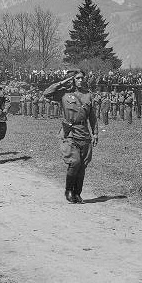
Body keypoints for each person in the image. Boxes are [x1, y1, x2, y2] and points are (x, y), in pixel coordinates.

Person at [44, 69, 99, 202]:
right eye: (78, 78)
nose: (81, 80)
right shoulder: (64, 94)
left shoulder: (88, 96)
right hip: (70, 132)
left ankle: (77, 192)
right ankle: (68, 190)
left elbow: (92, 117)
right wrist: (63, 82)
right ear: (72, 80)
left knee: (82, 165)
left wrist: (95, 133)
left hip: (84, 133)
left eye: (82, 78)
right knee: (75, 162)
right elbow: (47, 93)